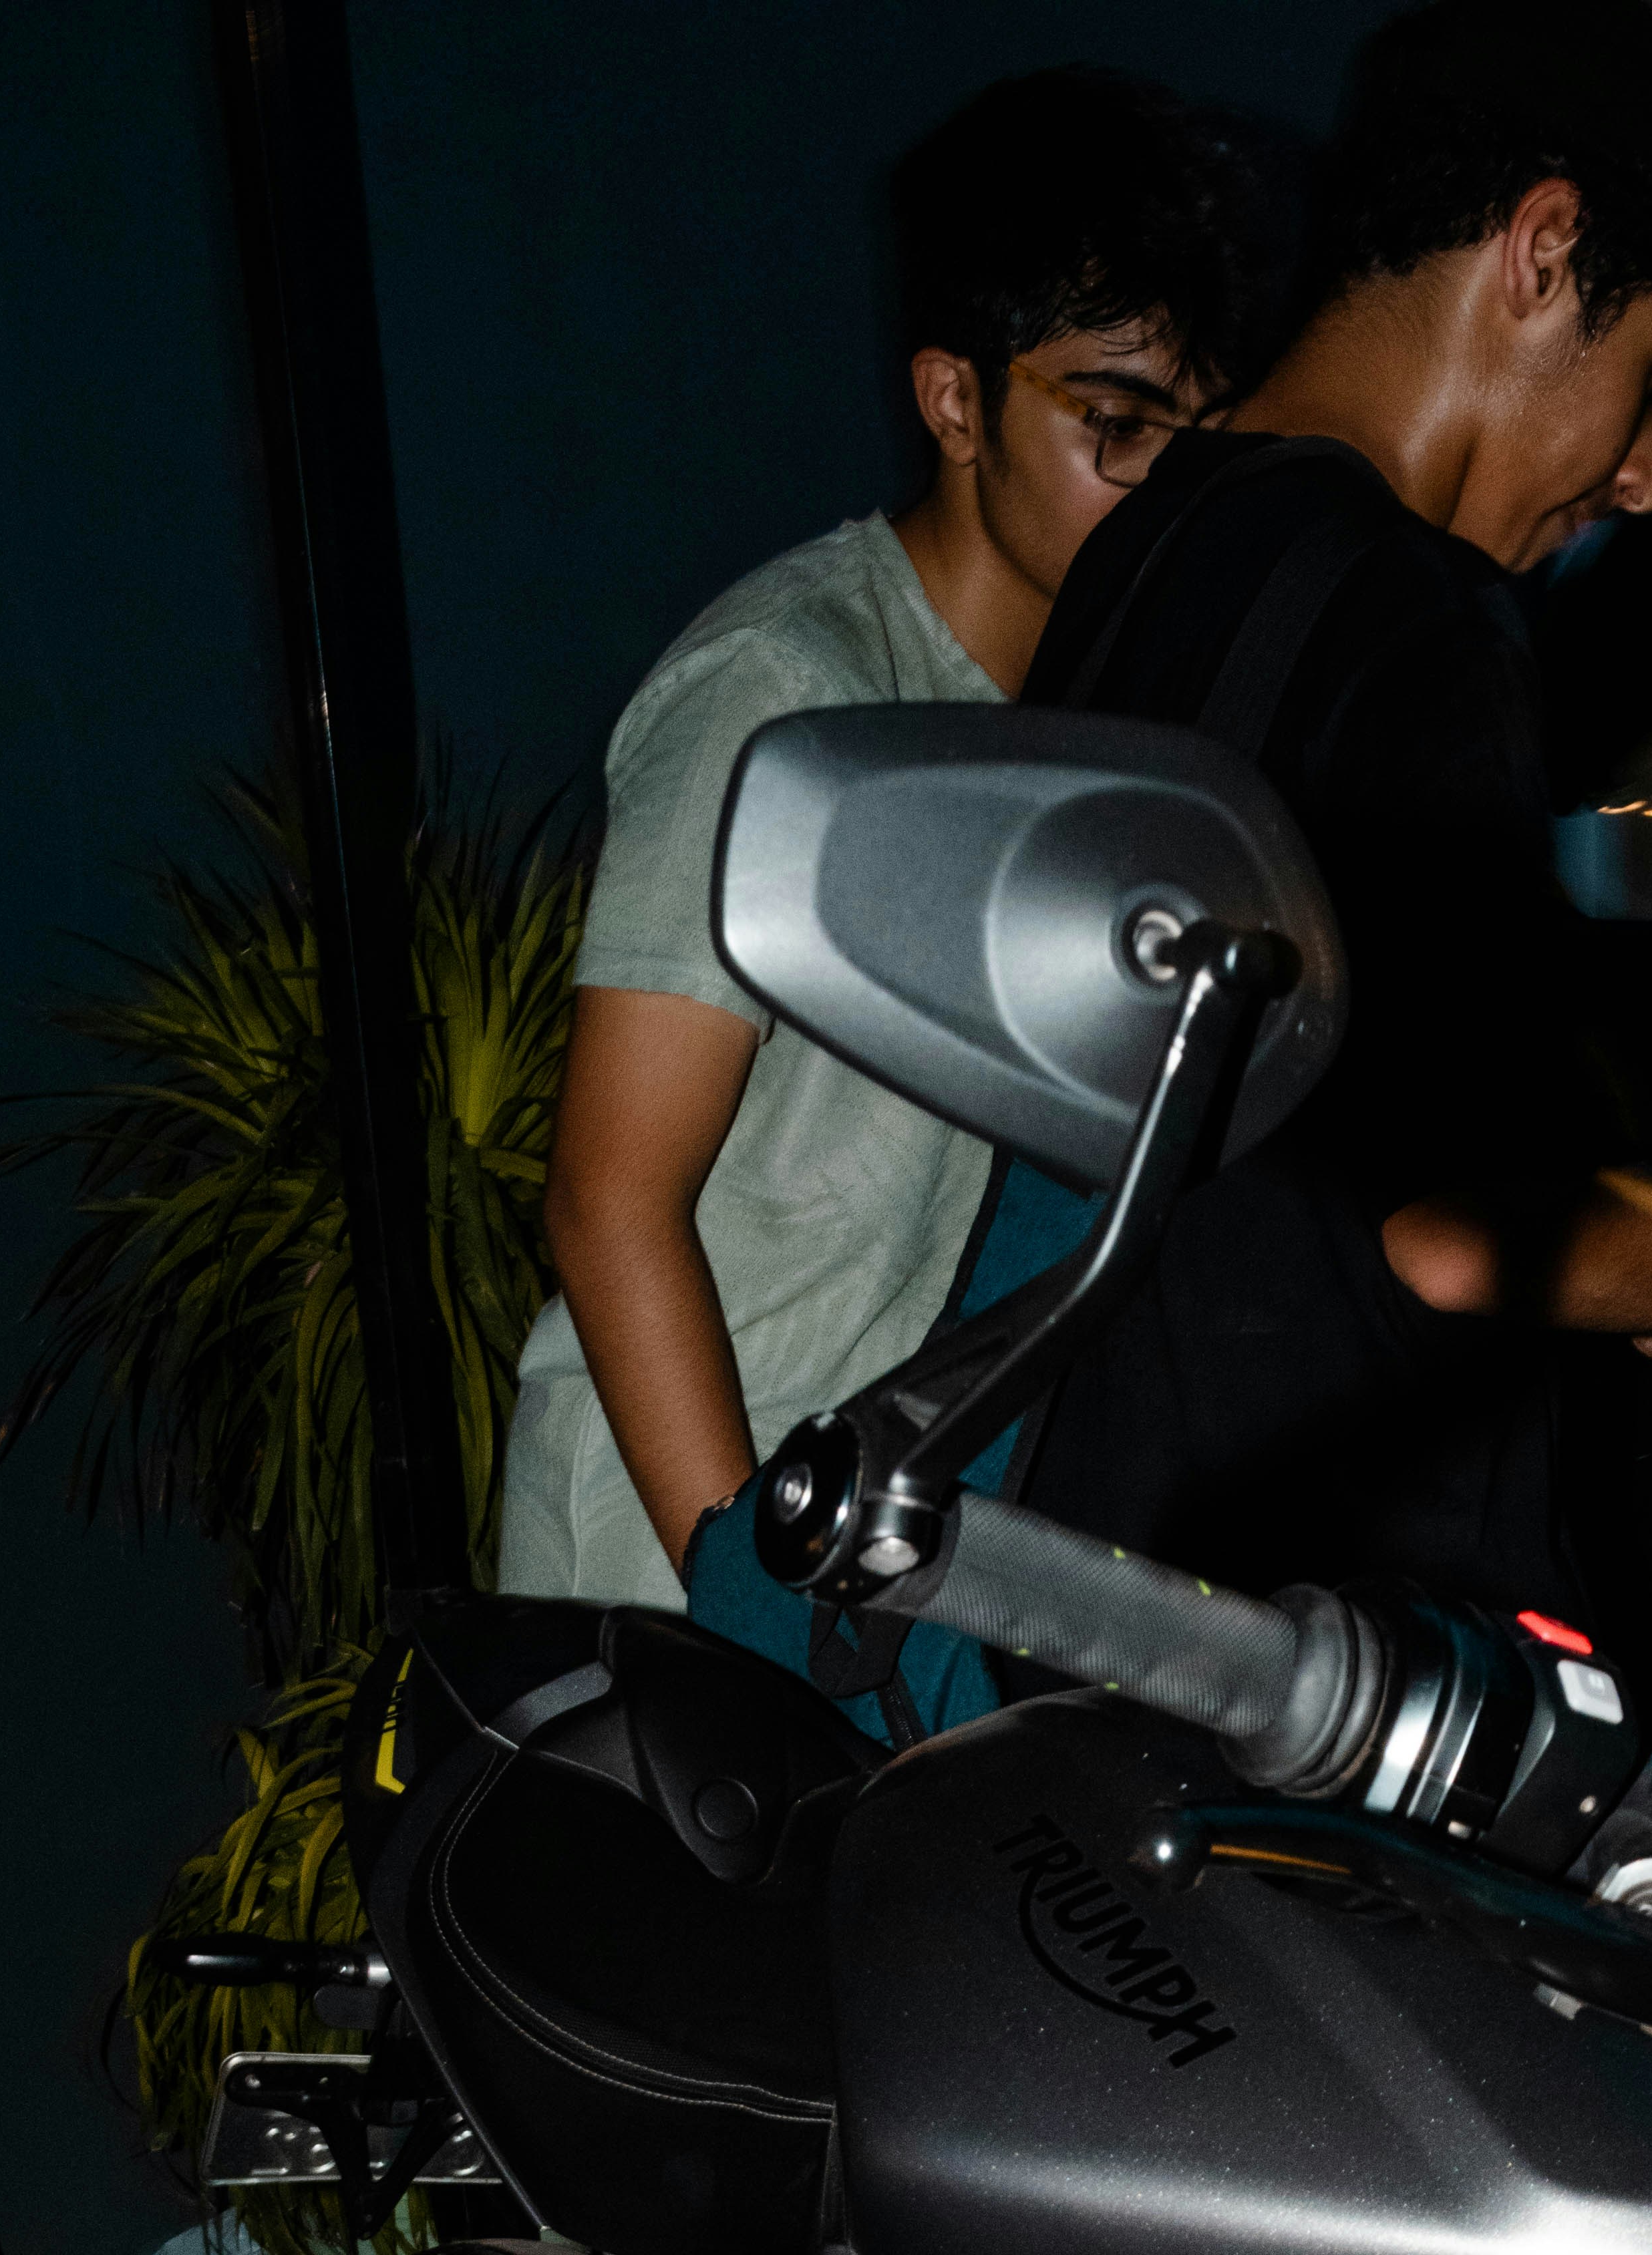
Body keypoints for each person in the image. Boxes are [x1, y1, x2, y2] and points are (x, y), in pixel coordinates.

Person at [1005, 0, 1652, 1646]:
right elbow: (1460, 1238)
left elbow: (1311, 1163)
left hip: (1119, 1579)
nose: (1643, 477)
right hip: (1330, 1652)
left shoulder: (1161, 546)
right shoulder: (1419, 611)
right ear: (1544, 252)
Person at [499, 74, 1256, 1615]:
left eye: (1197, 433)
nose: (1161, 482)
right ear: (955, 399)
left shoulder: (1090, 729)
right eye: (1113, 425)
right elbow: (608, 1197)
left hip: (881, 1574)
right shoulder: (787, 691)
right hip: (671, 1586)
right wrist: (747, 1592)